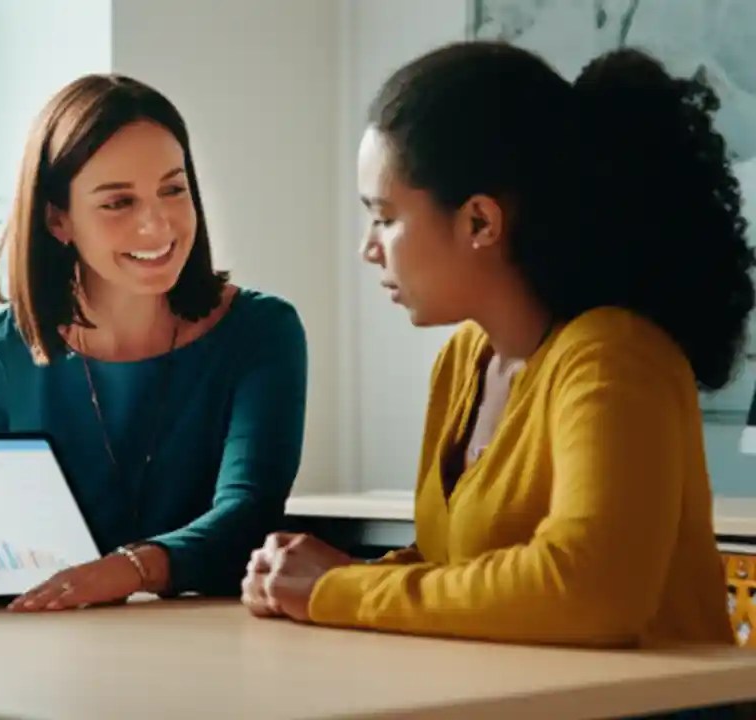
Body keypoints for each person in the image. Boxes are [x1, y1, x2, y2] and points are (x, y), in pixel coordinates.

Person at [243, 41, 755, 649]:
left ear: (480, 222)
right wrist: (325, 578)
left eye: (383, 217)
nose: (369, 247)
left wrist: (335, 591)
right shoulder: (464, 360)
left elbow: (590, 591)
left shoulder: (613, 358)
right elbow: (467, 573)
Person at [0, 74, 308, 611]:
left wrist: (127, 570)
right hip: (44, 653)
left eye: (173, 190)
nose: (156, 225)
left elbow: (249, 518)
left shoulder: (262, 331)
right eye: (118, 203)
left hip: (216, 651)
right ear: (58, 220)